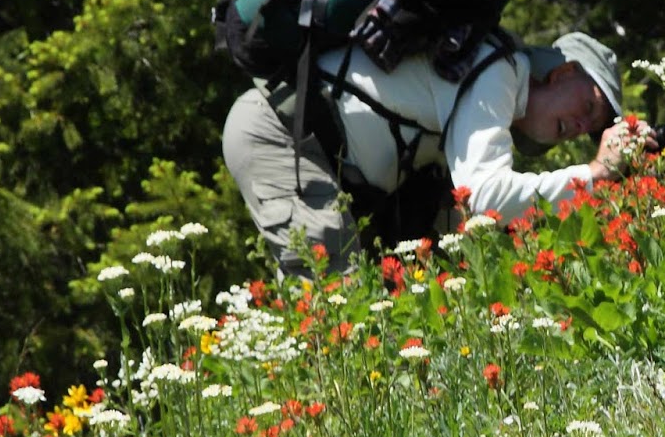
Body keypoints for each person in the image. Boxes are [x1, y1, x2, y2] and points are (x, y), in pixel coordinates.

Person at [222, 30, 643, 278]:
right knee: (335, 305)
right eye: (589, 107)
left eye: (591, 129)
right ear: (563, 71)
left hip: (318, 151)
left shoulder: (491, 86)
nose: (583, 126)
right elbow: (485, 199)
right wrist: (595, 174)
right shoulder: (498, 69)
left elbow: (468, 218)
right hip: (282, 133)